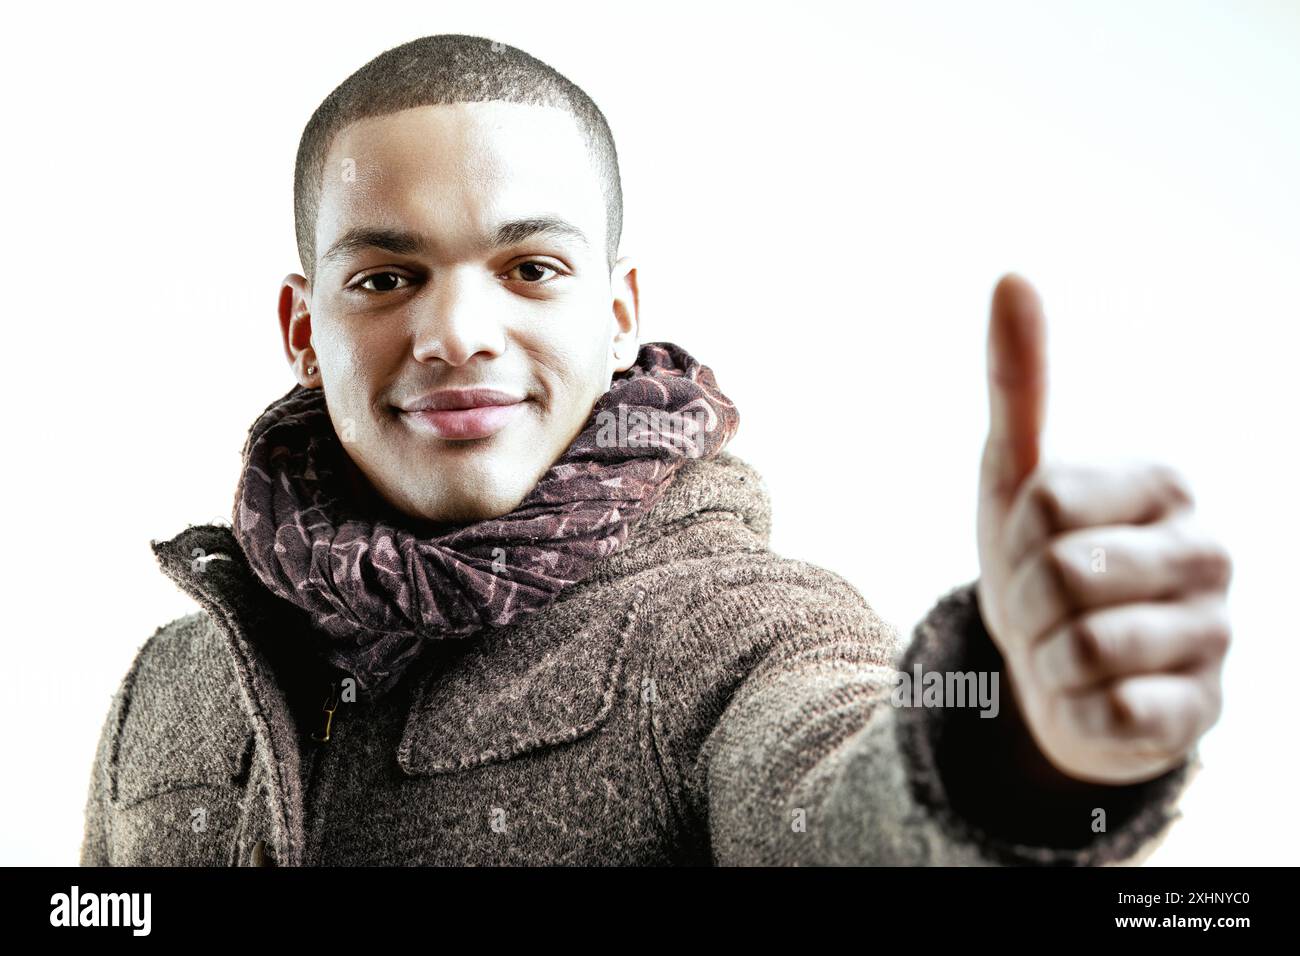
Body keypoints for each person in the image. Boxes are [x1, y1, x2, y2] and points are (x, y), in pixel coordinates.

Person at [79, 34, 1232, 866]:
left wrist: (1016, 748)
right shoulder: (169, 686)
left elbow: (852, 807)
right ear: (301, 326)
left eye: (530, 268)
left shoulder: (738, 635)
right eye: (386, 278)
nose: (456, 333)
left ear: (619, 310)